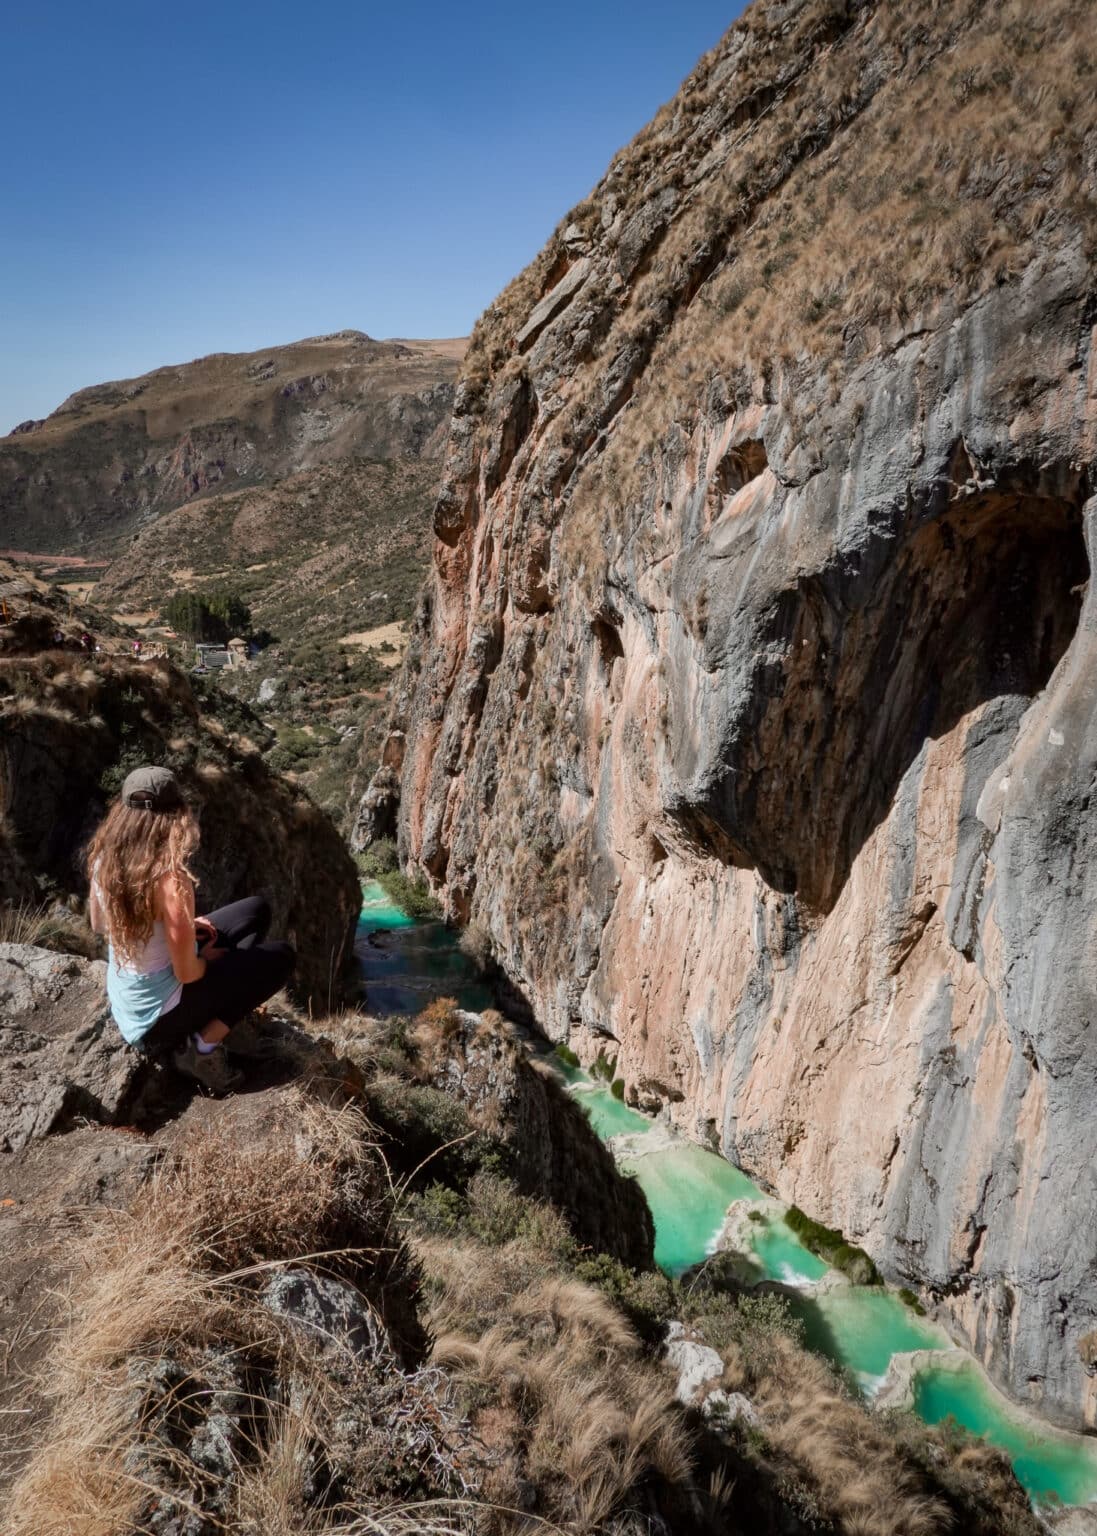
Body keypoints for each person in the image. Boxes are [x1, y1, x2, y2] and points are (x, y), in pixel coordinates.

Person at [87, 765, 295, 1094]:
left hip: (131, 1003)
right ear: (175, 815)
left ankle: (223, 1009)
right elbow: (187, 973)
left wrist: (185, 929)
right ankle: (201, 1048)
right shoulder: (170, 880)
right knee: (282, 958)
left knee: (255, 911)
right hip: (156, 1023)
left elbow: (99, 924)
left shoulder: (105, 860)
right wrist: (206, 959)